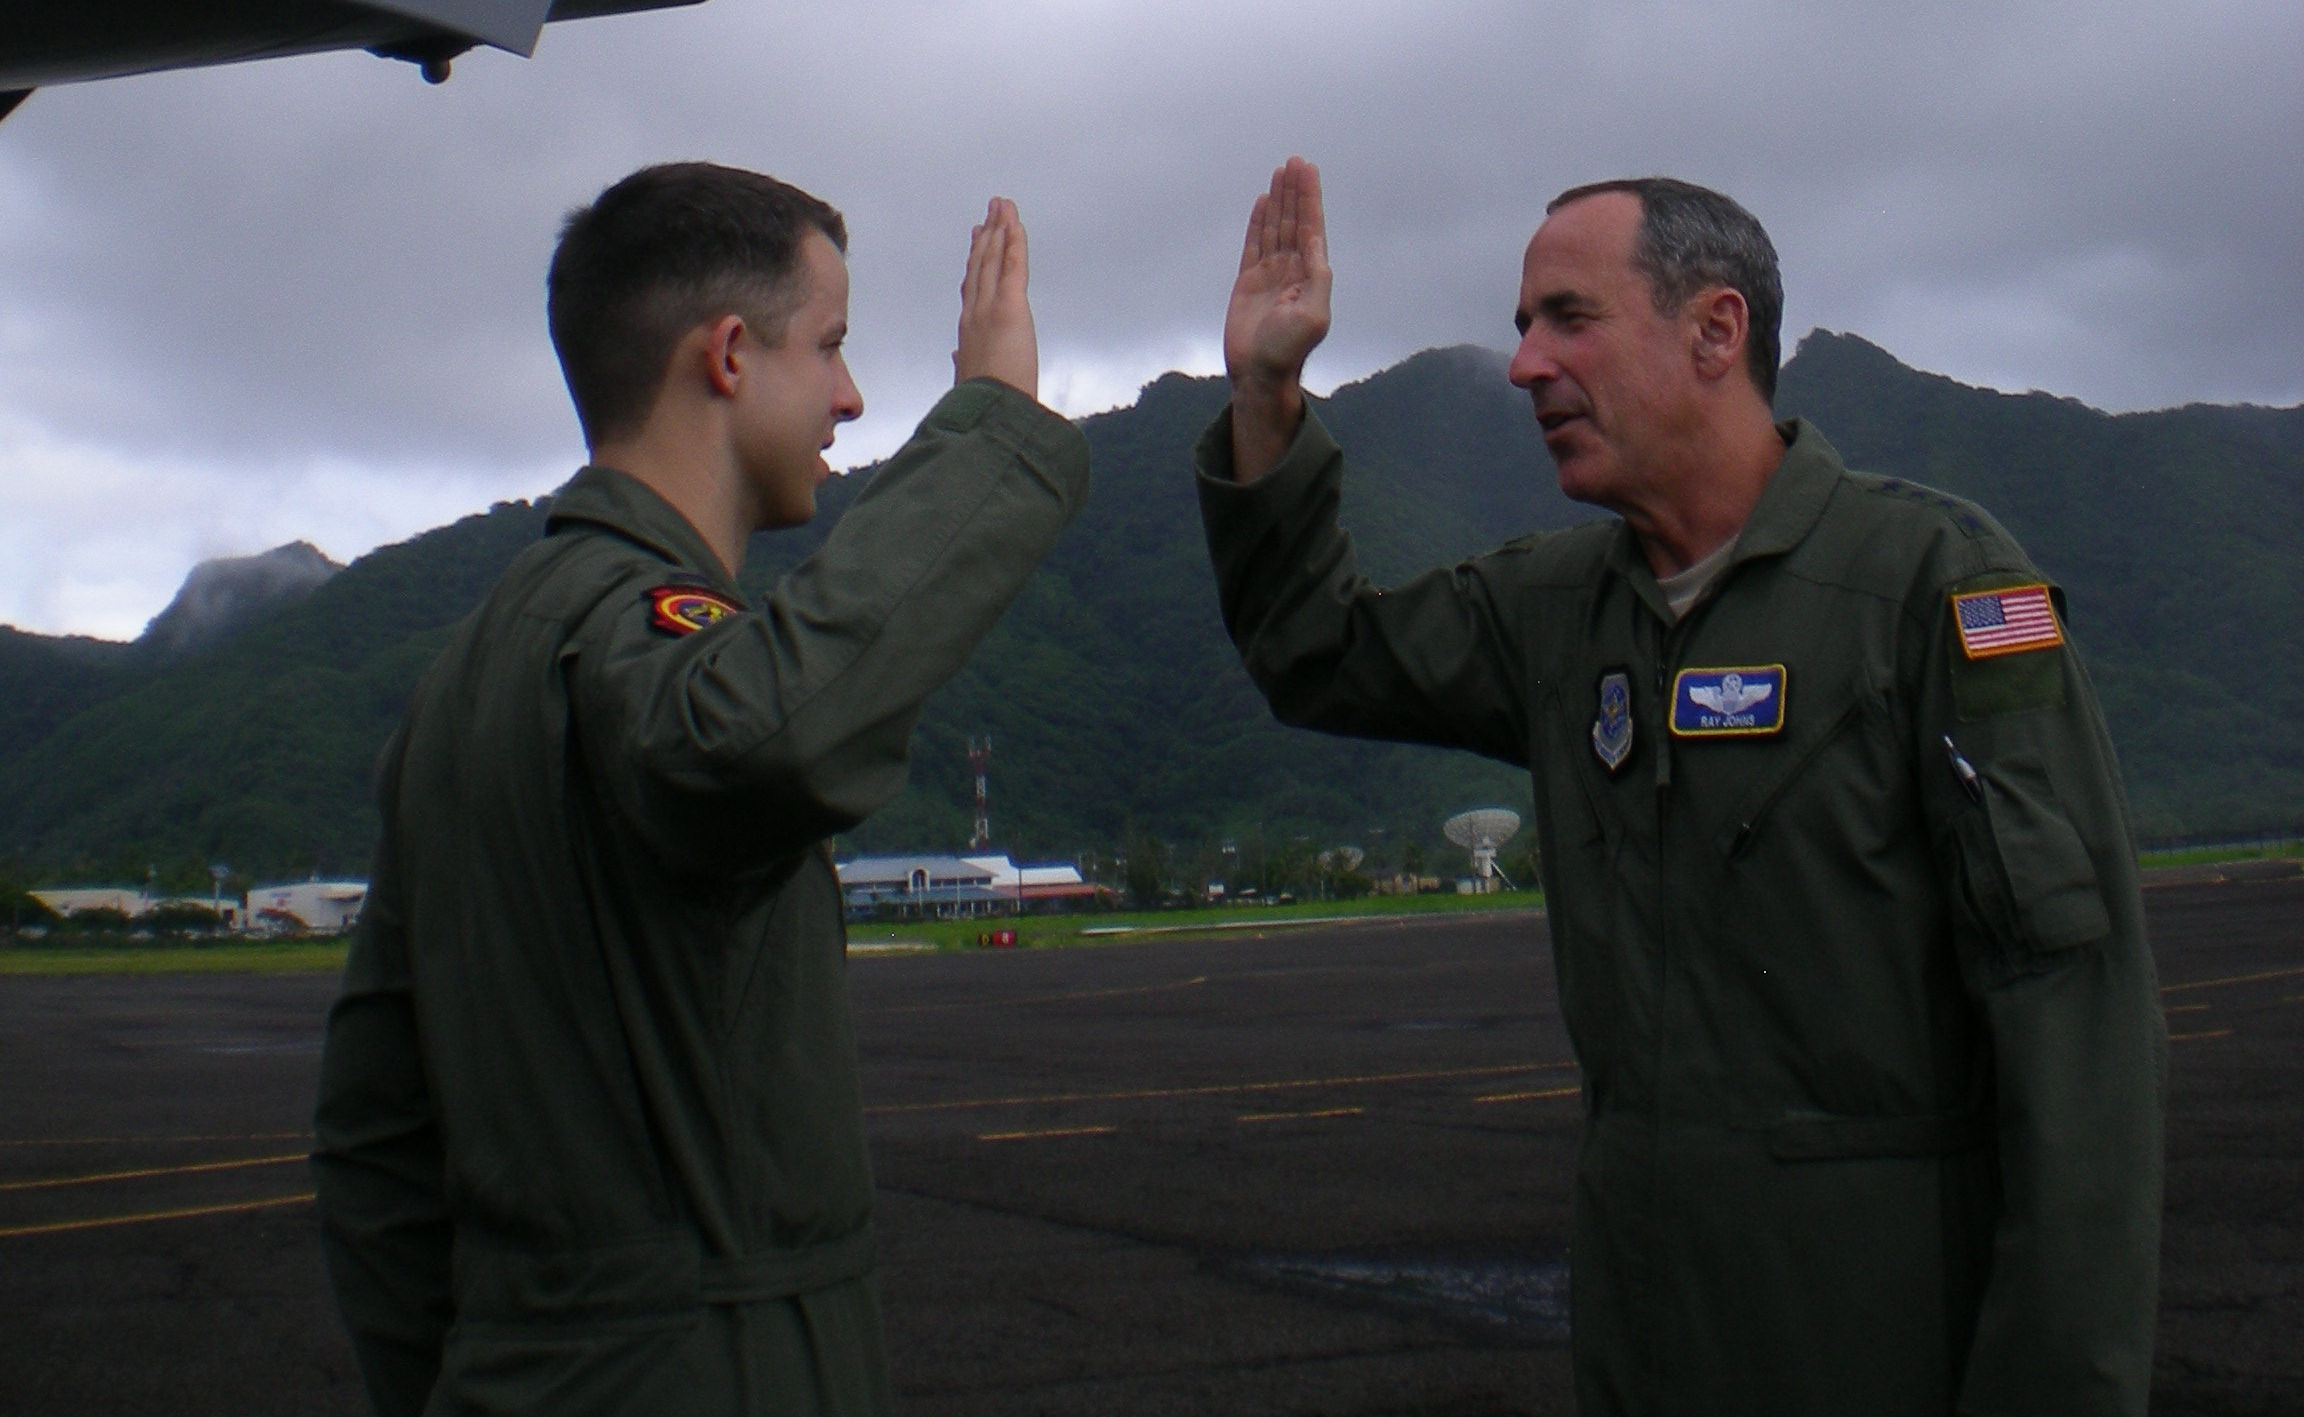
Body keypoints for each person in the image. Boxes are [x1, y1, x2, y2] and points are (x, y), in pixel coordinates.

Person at [1197, 158, 2164, 1417]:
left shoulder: (1931, 588)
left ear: (1717, 331)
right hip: (1650, 1342)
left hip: (1886, 1349)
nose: (1526, 365)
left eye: (1568, 318)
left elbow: (2075, 1038)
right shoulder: (1559, 613)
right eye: (1522, 327)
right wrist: (1267, 390)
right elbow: (1318, 653)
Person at [315, 162, 1089, 1417]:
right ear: (729, 355)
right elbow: (757, 738)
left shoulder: (462, 684)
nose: (849, 395)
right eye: (830, 345)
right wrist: (990, 420)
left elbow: (372, 1146)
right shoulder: (635, 631)